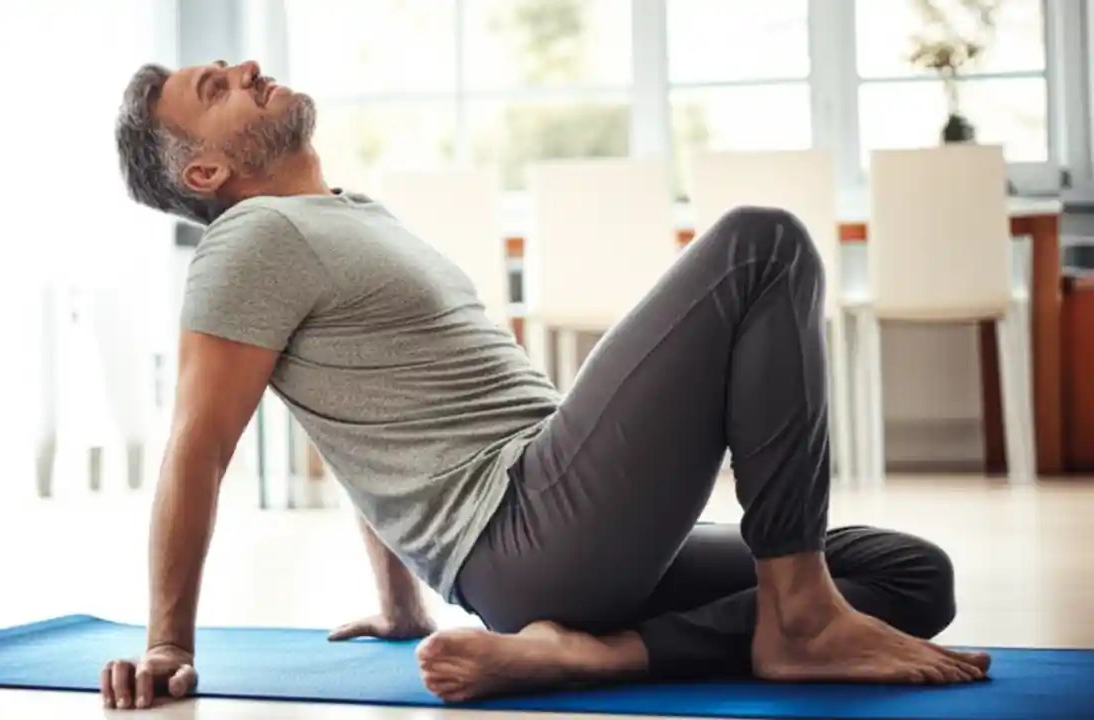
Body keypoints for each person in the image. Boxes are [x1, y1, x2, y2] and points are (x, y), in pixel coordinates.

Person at [100, 59, 990, 711]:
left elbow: (359, 412)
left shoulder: (344, 219)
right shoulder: (247, 242)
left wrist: (400, 603)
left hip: (567, 537)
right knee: (760, 246)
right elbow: (198, 447)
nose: (245, 69)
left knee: (909, 574)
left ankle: (604, 656)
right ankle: (798, 618)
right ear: (204, 174)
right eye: (213, 89)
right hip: (525, 528)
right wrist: (169, 641)